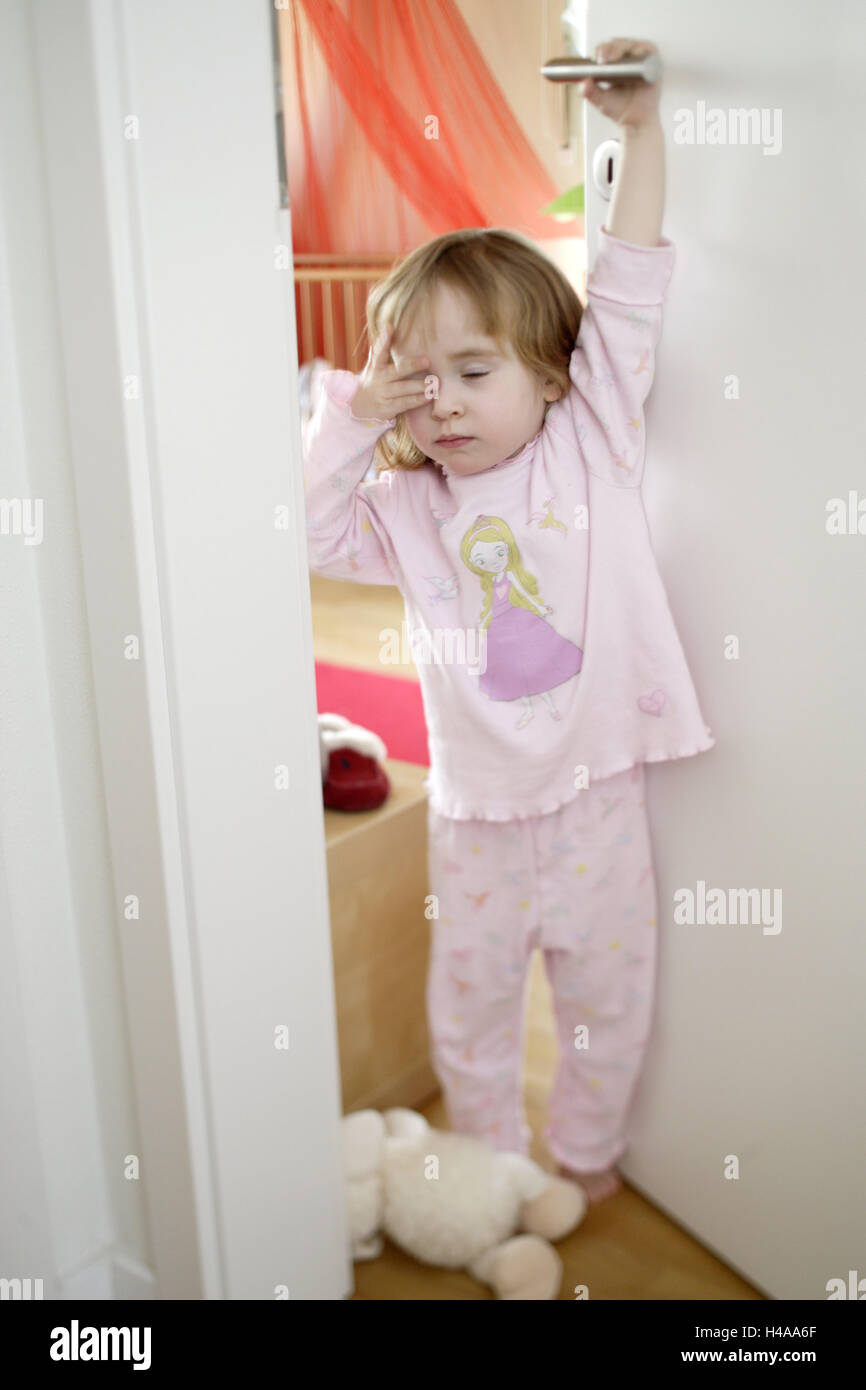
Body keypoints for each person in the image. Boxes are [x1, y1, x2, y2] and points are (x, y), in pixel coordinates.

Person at [302, 40, 715, 1203]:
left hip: (595, 795)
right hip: (476, 815)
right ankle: (491, 1174)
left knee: (605, 998)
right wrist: (350, 413)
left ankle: (582, 1164)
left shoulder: (589, 444)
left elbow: (630, 281)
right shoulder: (403, 507)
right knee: (469, 1005)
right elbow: (301, 533)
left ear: (548, 374)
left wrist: (637, 131)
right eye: (416, 380)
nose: (442, 403)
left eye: (472, 371)